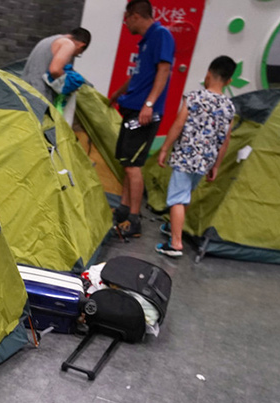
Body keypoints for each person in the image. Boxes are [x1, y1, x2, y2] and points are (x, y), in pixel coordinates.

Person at [154, 56, 236, 258]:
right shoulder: (229, 107)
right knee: (185, 195)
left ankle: (175, 243)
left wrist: (165, 147)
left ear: (208, 74)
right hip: (206, 159)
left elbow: (179, 124)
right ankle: (174, 227)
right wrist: (216, 165)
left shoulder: (194, 98)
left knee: (177, 199)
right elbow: (226, 140)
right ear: (229, 81)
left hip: (185, 156)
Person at [108, 0, 176, 238]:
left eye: (126, 18)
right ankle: (124, 210)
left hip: (144, 113)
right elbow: (139, 75)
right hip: (132, 108)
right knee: (127, 162)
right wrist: (117, 94)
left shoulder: (161, 35)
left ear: (135, 15)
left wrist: (149, 104)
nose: (125, 23)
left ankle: (134, 220)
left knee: (134, 165)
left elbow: (164, 71)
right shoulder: (145, 42)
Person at [21, 27, 91, 120]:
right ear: (81, 45)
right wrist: (68, 85)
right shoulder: (68, 44)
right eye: (77, 54)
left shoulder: (48, 40)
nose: (73, 56)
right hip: (39, 96)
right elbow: (55, 70)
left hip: (23, 90)